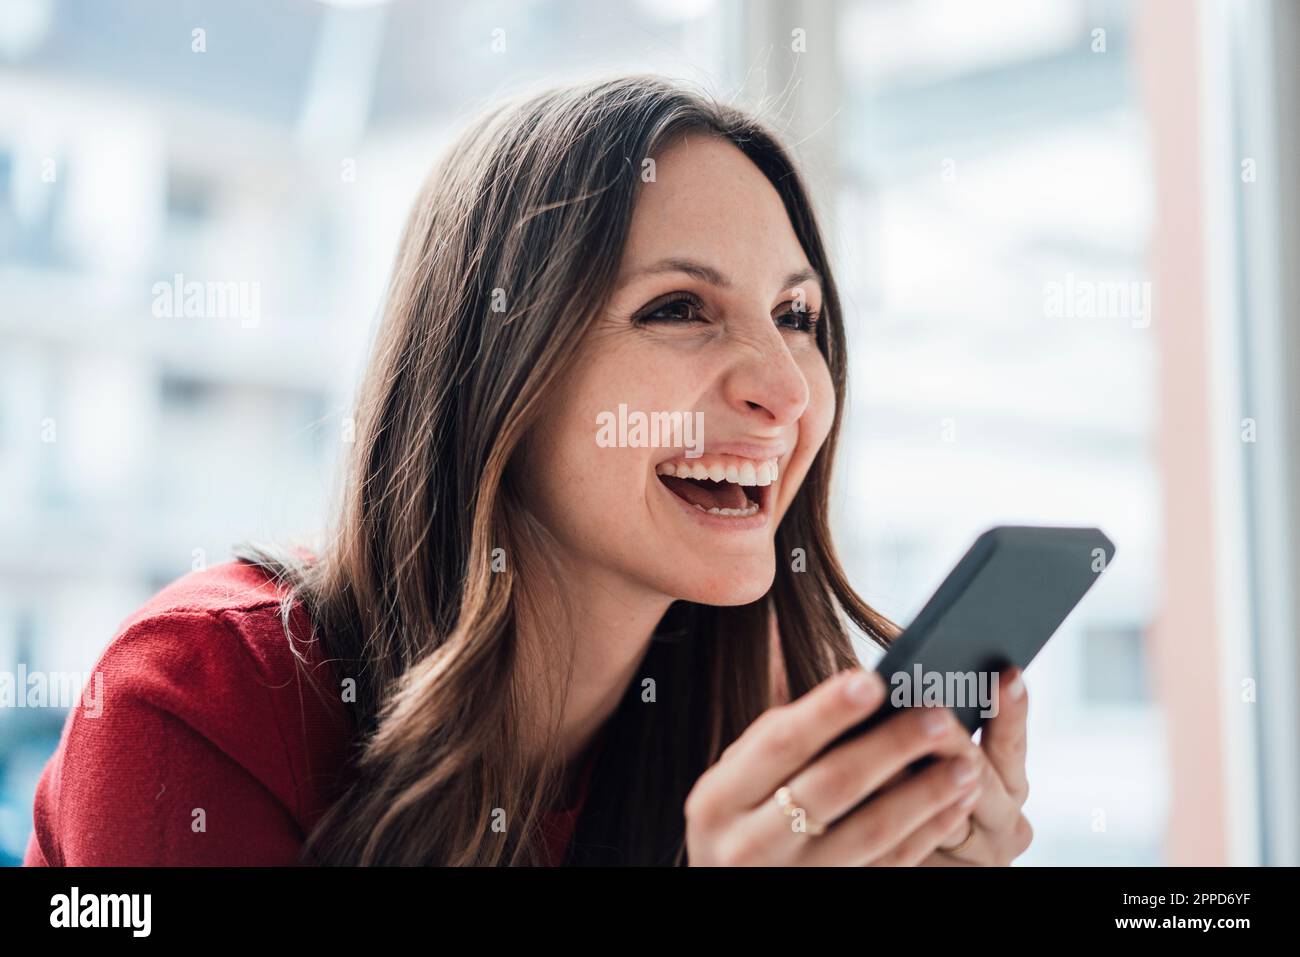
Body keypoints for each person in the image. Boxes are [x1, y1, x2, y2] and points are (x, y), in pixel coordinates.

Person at [25, 75, 1032, 866]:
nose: (787, 388)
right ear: (497, 370)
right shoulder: (195, 700)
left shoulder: (757, 721)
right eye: (678, 308)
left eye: (797, 317)